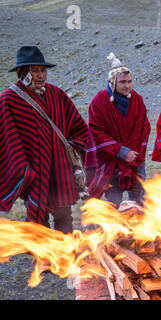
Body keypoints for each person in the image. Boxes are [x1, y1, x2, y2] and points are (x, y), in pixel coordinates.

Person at [0, 46, 89, 234]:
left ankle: (65, 255)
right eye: (34, 70)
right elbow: (6, 139)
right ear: (22, 72)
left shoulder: (56, 94)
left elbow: (79, 127)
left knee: (64, 215)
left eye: (43, 70)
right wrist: (24, 169)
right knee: (39, 220)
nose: (40, 75)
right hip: (35, 172)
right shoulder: (9, 100)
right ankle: (44, 260)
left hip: (60, 169)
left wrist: (69, 149)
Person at [87, 53, 151, 207]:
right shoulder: (99, 101)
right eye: (122, 82)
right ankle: (114, 231)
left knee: (139, 203)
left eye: (129, 81)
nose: (127, 86)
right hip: (112, 161)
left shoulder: (137, 99)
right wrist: (122, 152)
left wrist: (132, 153)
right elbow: (97, 132)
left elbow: (143, 128)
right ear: (112, 81)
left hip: (135, 160)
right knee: (114, 204)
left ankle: (139, 231)